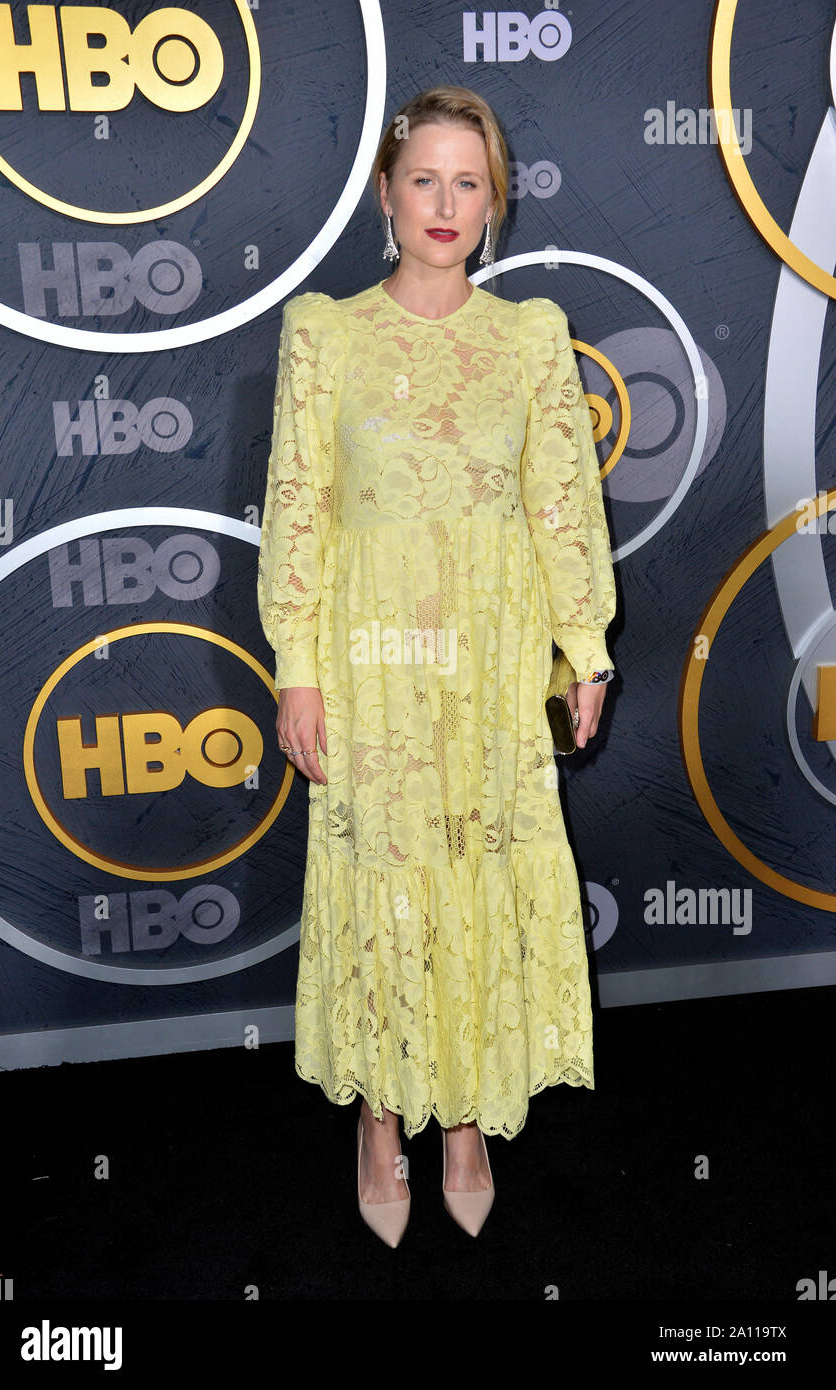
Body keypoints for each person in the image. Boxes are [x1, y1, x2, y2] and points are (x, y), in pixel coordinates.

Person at [257, 86, 616, 1247]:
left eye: (470, 182)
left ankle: (461, 1120)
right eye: (426, 179)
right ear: (386, 194)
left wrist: (583, 644)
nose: (446, 203)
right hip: (367, 670)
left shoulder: (528, 334)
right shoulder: (324, 331)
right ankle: (379, 1113)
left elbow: (562, 504)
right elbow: (299, 506)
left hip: (493, 662)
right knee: (383, 882)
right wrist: (296, 667)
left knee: (478, 870)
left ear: (494, 201)